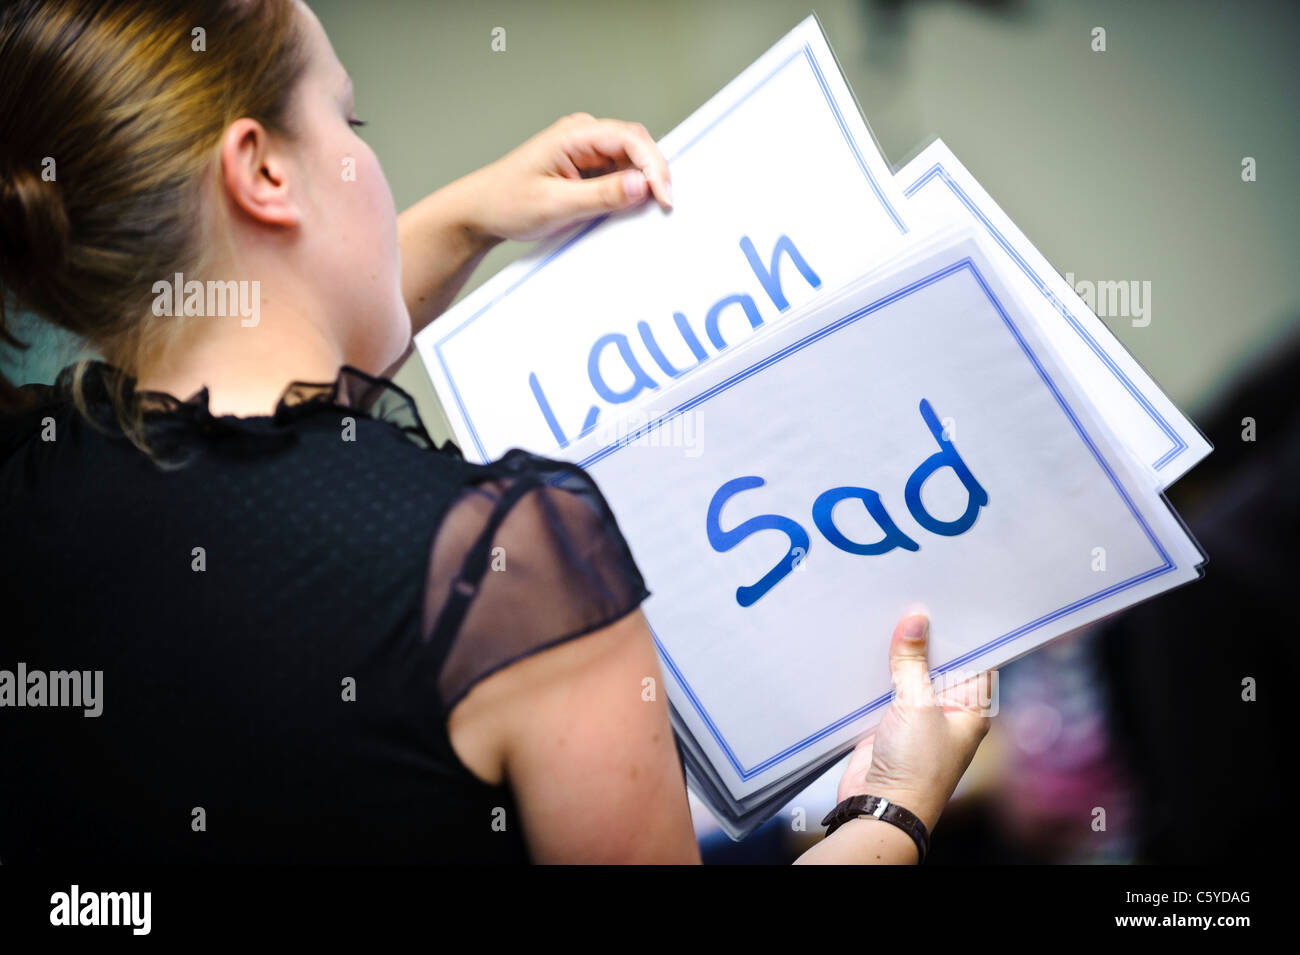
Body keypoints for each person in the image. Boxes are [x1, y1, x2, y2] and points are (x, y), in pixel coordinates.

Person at [0, 0, 991, 864]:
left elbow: (257, 393)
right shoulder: (508, 568)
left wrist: (473, 216)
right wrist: (889, 809)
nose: (369, 159)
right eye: (349, 120)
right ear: (260, 168)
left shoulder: (29, 479)